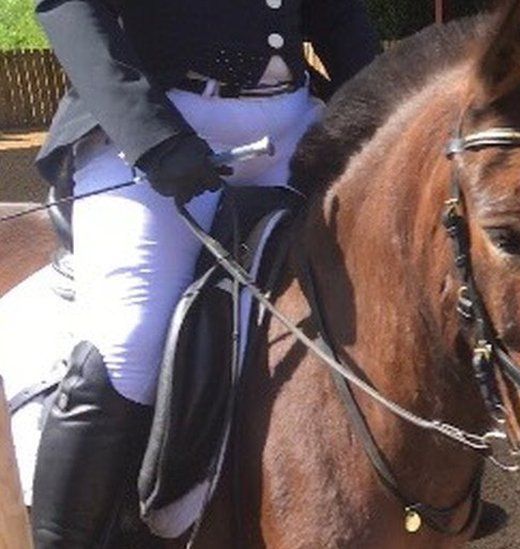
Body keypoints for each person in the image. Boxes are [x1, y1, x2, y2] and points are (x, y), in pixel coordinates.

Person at [29, 0, 380, 546]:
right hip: (157, 126)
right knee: (128, 343)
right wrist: (151, 136)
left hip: (296, 129)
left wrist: (385, 109)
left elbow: (337, 18)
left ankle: (430, 490)